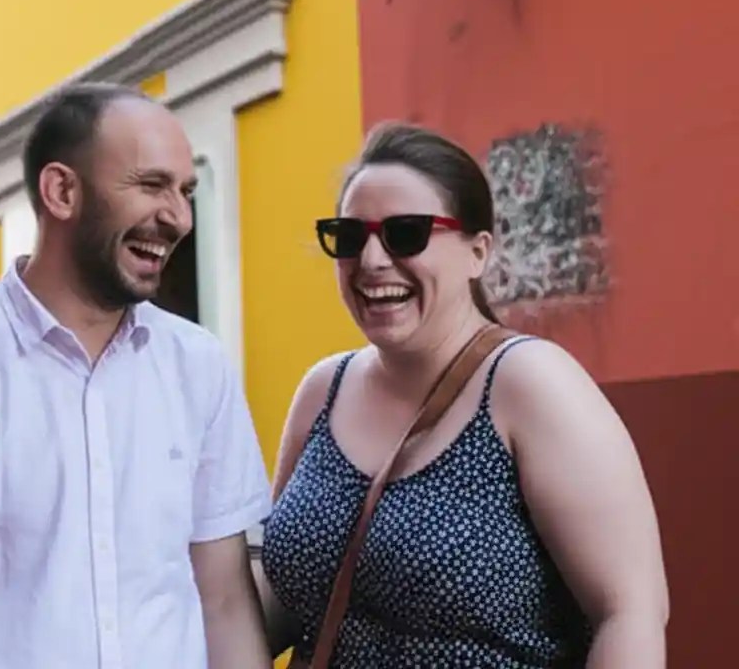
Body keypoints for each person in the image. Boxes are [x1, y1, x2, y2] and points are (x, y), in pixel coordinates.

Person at [0, 82, 273, 668]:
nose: (179, 218)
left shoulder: (199, 367)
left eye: (185, 191)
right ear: (62, 191)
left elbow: (226, 605)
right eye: (151, 185)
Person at [258, 122, 669, 668]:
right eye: (351, 236)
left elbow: (631, 613)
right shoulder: (323, 391)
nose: (373, 260)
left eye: (406, 233)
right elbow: (286, 599)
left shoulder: (530, 384)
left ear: (478, 253)